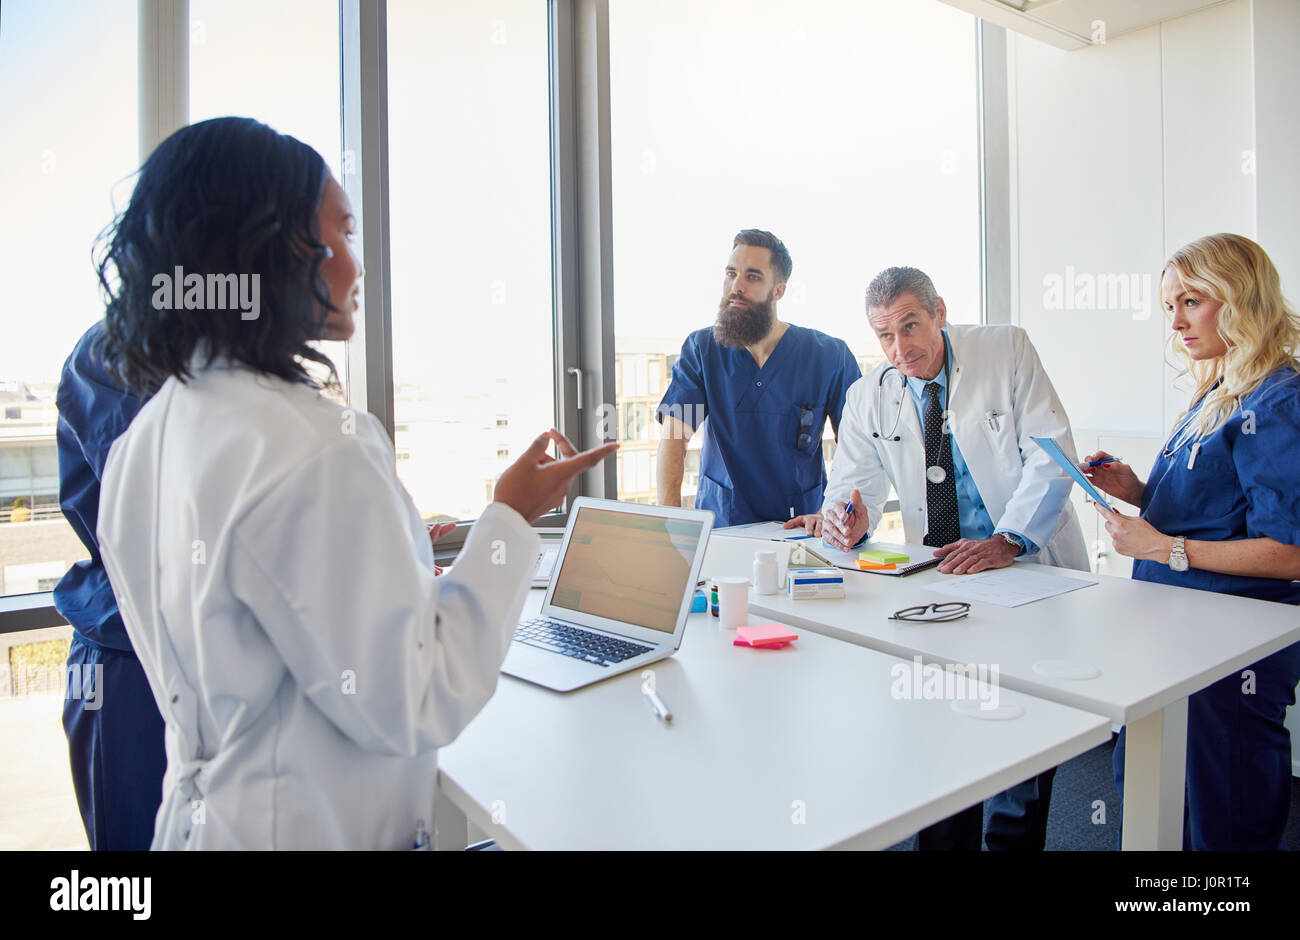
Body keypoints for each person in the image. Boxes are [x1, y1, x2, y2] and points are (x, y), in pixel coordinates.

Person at [92, 117, 617, 849]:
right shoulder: (314, 447)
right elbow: (416, 696)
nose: (354, 264)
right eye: (338, 234)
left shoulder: (145, 441)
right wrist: (511, 518)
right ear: (267, 248)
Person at [797, 265, 1088, 851]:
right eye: (884, 335)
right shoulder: (868, 393)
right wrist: (845, 519)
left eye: (910, 326)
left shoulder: (1005, 349)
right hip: (945, 577)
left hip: (1026, 567)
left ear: (939, 313)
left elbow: (1052, 452)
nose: (900, 348)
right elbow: (854, 486)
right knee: (941, 720)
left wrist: (1008, 540)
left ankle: (1012, 841)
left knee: (1022, 723)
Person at [1085, 233, 1300, 850]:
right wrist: (1138, 490)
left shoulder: (1278, 399)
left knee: (1221, 812)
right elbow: (1210, 509)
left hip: (1232, 645)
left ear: (1239, 298)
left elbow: (1288, 550)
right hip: (1176, 631)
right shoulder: (1218, 389)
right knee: (1157, 799)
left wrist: (1162, 549)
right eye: (1169, 307)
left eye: (1192, 302)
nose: (1175, 323)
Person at [656, 229, 861, 527]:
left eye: (752, 276)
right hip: (723, 527)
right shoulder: (702, 351)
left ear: (778, 290)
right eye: (731, 273)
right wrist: (671, 526)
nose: (735, 286)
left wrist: (833, 512)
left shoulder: (829, 356)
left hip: (804, 529)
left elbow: (857, 448)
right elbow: (675, 436)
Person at [54, 322, 164, 850]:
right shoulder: (117, 349)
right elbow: (165, 505)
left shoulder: (244, 364)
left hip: (191, 653)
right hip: (122, 667)